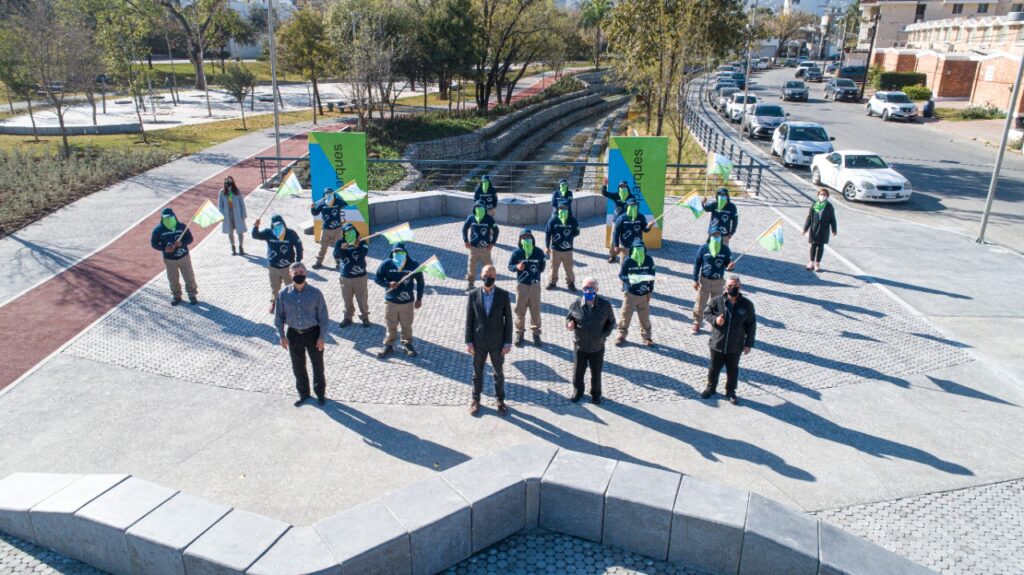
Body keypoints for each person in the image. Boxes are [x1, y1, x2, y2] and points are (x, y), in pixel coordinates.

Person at [274, 262, 330, 407]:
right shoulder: (283, 293)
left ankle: (320, 394)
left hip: (313, 333)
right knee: (298, 365)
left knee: (317, 365)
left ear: (306, 273)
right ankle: (303, 394)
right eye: (295, 273)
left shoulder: (316, 293)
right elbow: (278, 316)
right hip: (293, 334)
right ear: (290, 275)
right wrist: (282, 336)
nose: (298, 275)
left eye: (301, 272)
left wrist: (322, 337)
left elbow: (323, 317)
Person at [464, 265, 513, 416]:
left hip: (497, 343)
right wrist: (468, 341)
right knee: (477, 372)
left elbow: (508, 320)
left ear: (495, 276)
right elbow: (469, 320)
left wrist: (507, 342)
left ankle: (500, 400)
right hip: (478, 342)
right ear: (481, 276)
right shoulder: (473, 295)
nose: (488, 277)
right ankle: (475, 399)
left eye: (491, 275)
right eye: (485, 274)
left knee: (498, 372)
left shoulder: (503, 295)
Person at [701, 276, 756, 405]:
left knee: (733, 370)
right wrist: (716, 320)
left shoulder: (747, 305)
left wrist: (749, 344)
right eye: (730, 286)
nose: (733, 288)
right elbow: (707, 314)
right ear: (725, 287)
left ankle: (730, 391)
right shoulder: (717, 301)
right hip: (717, 343)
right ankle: (711, 388)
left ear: (740, 287)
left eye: (735, 285)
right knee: (714, 368)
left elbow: (751, 325)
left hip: (735, 345)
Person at [565, 277, 616, 404]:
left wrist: (603, 336)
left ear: (597, 289)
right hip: (580, 346)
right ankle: (578, 391)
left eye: (591, 288)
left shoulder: (605, 305)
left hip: (597, 346)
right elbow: (569, 318)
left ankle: (596, 394)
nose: (588, 291)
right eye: (585, 288)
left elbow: (612, 322)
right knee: (578, 372)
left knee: (596, 373)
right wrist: (569, 324)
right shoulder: (576, 304)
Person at [374, 243, 424, 358]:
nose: (398, 254)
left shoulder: (413, 265)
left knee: (406, 325)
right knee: (390, 324)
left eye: (401, 252)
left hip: (407, 302)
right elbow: (377, 278)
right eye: (396, 252)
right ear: (392, 252)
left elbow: (420, 282)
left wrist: (419, 298)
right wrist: (388, 284)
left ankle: (407, 344)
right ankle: (388, 345)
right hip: (391, 301)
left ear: (406, 252)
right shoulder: (386, 264)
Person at [252, 215, 304, 314]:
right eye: (275, 225)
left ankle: (293, 303)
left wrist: (298, 261)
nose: (278, 227)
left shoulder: (291, 233)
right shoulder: (268, 232)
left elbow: (299, 246)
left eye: (280, 224)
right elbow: (255, 235)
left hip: (288, 268)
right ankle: (273, 302)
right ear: (272, 225)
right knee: (274, 288)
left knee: (291, 286)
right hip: (273, 267)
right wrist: (256, 226)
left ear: (283, 223)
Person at [691, 226, 735, 334]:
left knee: (717, 304)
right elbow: (697, 264)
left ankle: (715, 324)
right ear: (710, 236)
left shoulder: (725, 249)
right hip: (704, 281)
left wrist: (731, 266)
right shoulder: (704, 248)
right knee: (700, 303)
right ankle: (697, 323)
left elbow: (728, 265)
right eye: (714, 235)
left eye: (718, 235)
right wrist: (695, 279)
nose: (716, 237)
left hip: (718, 282)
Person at [150, 207, 197, 306]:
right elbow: (154, 244)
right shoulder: (158, 230)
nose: (168, 220)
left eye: (170, 218)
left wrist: (182, 243)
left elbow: (190, 239)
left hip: (184, 256)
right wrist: (164, 248)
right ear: (162, 218)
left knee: (189, 276)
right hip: (169, 259)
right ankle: (177, 296)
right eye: (166, 218)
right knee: (173, 278)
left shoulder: (181, 226)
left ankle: (192, 295)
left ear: (174, 216)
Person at [508, 228, 546, 348]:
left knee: (535, 310)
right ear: (520, 240)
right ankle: (519, 334)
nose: (526, 239)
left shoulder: (538, 252)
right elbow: (510, 266)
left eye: (528, 237)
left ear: (532, 238)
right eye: (524, 238)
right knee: (520, 310)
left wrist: (535, 276)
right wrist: (517, 267)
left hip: (535, 286)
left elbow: (542, 266)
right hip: (522, 286)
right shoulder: (516, 253)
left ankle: (536, 334)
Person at [616, 238, 656, 347]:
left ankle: (647, 337)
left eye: (641, 249)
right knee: (625, 315)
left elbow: (652, 276)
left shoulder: (649, 260)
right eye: (636, 249)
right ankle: (621, 334)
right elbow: (621, 275)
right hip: (630, 294)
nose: (638, 251)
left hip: (644, 294)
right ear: (632, 249)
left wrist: (650, 291)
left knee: (644, 316)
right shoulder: (628, 261)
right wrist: (630, 282)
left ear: (644, 249)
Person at [333, 222, 370, 327]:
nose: (350, 234)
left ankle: (365, 316)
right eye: (347, 232)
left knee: (362, 298)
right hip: (346, 277)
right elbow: (336, 255)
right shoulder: (340, 242)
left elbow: (365, 253)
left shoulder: (362, 241)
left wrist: (357, 247)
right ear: (344, 234)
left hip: (360, 277)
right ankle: (348, 317)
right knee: (347, 298)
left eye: (352, 231)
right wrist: (341, 248)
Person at [462, 200, 500, 291]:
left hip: (485, 249)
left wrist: (492, 243)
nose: (479, 209)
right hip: (473, 248)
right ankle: (470, 284)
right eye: (477, 208)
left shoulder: (488, 219)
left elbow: (496, 230)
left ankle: (489, 285)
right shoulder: (471, 218)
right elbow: (464, 229)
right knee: (471, 266)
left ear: (484, 208)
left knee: (488, 268)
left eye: (481, 208)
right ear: (474, 208)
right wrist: (466, 240)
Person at [544, 200, 580, 292]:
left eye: (565, 209)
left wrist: (568, 238)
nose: (563, 210)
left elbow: (577, 231)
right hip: (555, 250)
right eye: (561, 208)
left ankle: (570, 283)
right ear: (558, 209)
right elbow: (548, 233)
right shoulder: (553, 220)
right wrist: (547, 246)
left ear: (568, 209)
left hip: (568, 251)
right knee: (554, 268)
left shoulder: (572, 220)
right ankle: (552, 282)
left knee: (569, 269)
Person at [311, 187, 347, 270]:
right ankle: (319, 262)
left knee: (338, 247)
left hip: (337, 229)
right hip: (326, 229)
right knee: (323, 247)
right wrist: (312, 207)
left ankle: (339, 262)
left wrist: (344, 197)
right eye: (326, 193)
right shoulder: (321, 203)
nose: (328, 195)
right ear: (324, 195)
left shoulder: (338, 202)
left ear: (333, 193)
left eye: (330, 193)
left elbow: (347, 203)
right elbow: (315, 213)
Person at [803, 188, 838, 272]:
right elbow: (809, 218)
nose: (822, 196)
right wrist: (805, 229)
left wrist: (834, 230)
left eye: (824, 195)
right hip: (814, 229)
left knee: (821, 246)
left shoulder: (829, 206)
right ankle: (811, 262)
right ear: (818, 195)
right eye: (821, 194)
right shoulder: (814, 205)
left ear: (827, 196)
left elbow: (833, 219)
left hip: (824, 229)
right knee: (813, 246)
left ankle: (817, 263)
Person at [601, 179, 635, 263]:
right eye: (621, 186)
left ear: (627, 187)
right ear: (618, 187)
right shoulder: (616, 195)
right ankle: (612, 256)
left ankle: (628, 257)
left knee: (627, 239)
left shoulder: (631, 197)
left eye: (624, 186)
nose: (622, 188)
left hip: (627, 222)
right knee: (614, 240)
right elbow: (605, 193)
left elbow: (635, 208)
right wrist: (604, 185)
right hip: (617, 222)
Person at [217, 176, 247, 255]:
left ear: (233, 182)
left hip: (237, 214)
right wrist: (221, 216)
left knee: (240, 231)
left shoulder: (237, 191)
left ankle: (241, 246)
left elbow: (242, 204)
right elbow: (220, 205)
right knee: (230, 232)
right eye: (226, 182)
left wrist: (243, 214)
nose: (228, 183)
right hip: (227, 215)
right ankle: (233, 247)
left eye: (230, 182)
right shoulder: (222, 192)